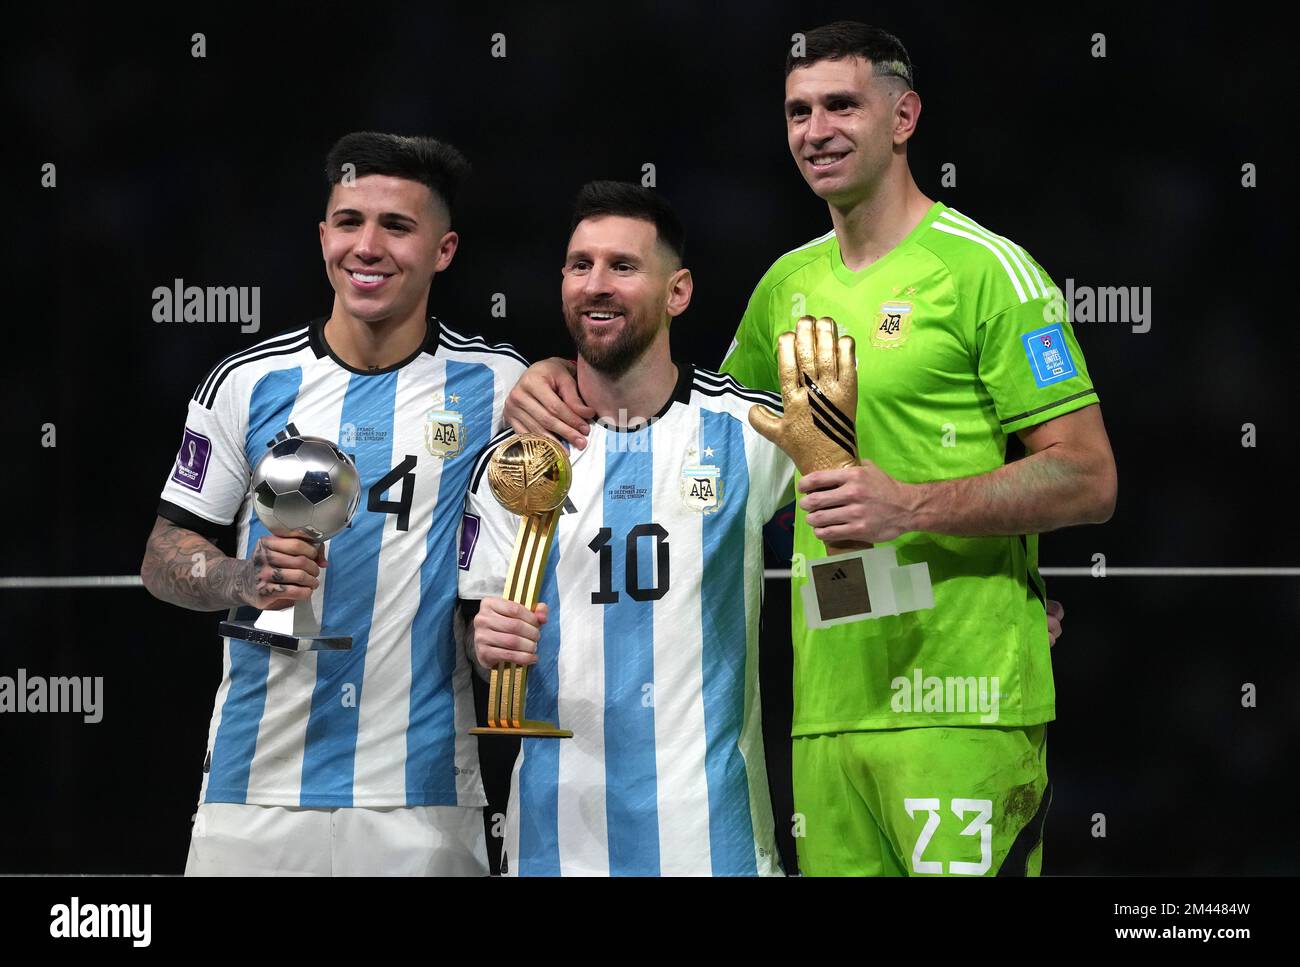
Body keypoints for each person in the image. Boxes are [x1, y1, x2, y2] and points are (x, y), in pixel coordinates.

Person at [501, 22, 1109, 876]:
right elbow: (695, 448)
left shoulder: (987, 271)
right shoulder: (785, 287)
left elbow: (1089, 475)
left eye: (840, 105)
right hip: (826, 706)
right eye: (797, 111)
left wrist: (916, 509)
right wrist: (551, 373)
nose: (814, 129)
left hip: (962, 699)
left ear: (904, 118)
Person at [140, 132, 525, 876]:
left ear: (444, 250)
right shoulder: (247, 381)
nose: (367, 246)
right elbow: (162, 555)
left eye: (397, 226)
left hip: (423, 794)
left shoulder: (502, 385)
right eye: (349, 222)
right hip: (252, 789)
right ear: (323, 237)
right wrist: (239, 580)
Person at [458, 182, 791, 876]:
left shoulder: (750, 432)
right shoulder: (516, 462)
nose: (595, 285)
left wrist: (1008, 586)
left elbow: (880, 512)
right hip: (555, 846)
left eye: (622, 266)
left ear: (678, 291)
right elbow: (480, 641)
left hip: (714, 843)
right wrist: (484, 642)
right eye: (580, 266)